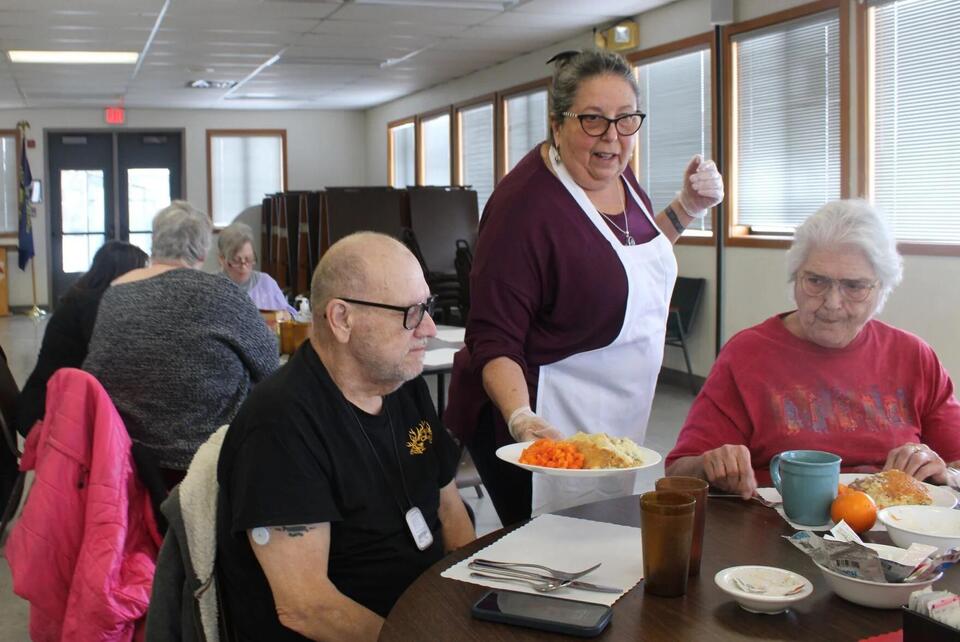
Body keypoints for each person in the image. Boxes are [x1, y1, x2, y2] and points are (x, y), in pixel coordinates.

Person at [444, 49, 724, 524]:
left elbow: (624, 260)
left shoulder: (618, 173)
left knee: (599, 537)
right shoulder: (523, 208)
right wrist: (520, 417)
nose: (611, 137)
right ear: (557, 123)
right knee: (550, 552)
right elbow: (493, 339)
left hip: (613, 408)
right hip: (538, 409)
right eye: (592, 120)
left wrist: (686, 208)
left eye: (625, 119)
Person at [216, 232, 475, 641]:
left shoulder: (400, 383)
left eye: (427, 307)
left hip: (425, 613)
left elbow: (451, 511)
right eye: (410, 313)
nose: (427, 328)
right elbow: (306, 607)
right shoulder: (279, 427)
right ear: (342, 319)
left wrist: (468, 607)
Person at [666, 200, 960, 497]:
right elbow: (679, 473)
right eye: (816, 281)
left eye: (854, 287)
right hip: (776, 528)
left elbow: (955, 461)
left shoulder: (913, 357)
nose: (832, 303)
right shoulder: (747, 355)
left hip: (896, 533)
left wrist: (945, 473)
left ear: (881, 288)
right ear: (796, 278)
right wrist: (711, 466)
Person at [83, 201, 278, 486]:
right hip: (207, 464)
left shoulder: (115, 293)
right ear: (202, 251)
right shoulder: (222, 293)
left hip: (128, 462)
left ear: (154, 243)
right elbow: (270, 364)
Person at [15, 240, 148, 436]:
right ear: (125, 272)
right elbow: (110, 360)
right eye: (142, 272)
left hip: (52, 397)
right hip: (51, 408)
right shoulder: (94, 305)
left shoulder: (84, 296)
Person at [218, 221, 296, 314]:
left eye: (249, 259)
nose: (244, 267)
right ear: (222, 259)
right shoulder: (212, 286)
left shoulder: (266, 283)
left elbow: (289, 317)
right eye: (236, 261)